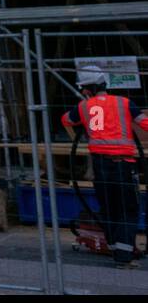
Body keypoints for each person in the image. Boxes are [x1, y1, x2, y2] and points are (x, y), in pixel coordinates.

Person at [60, 64, 148, 269]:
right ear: (103, 84)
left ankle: (114, 248)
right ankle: (123, 257)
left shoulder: (84, 107)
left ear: (85, 90)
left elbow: (66, 119)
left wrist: (88, 113)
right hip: (123, 165)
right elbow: (145, 124)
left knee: (109, 208)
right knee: (128, 209)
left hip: (100, 166)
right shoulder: (124, 103)